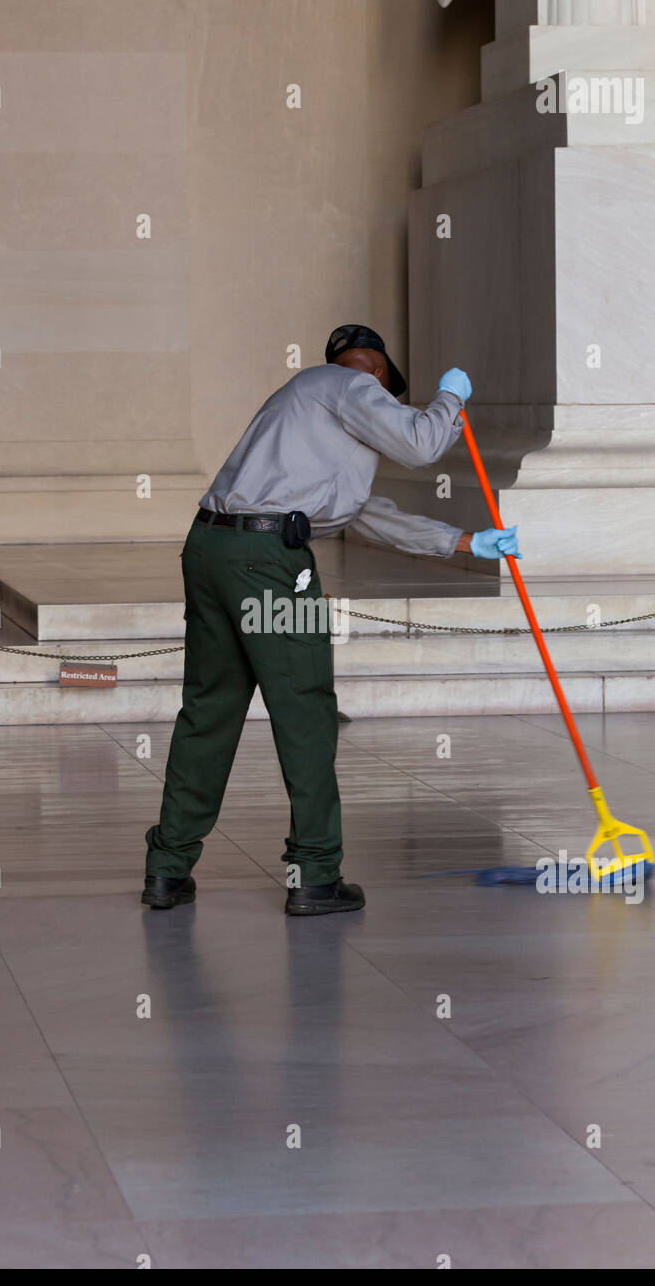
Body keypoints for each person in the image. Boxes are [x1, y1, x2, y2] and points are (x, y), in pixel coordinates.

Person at [143, 324, 520, 917]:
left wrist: (465, 542)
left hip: (210, 550)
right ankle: (314, 875)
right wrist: (451, 402)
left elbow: (364, 514)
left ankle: (167, 869)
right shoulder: (350, 385)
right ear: (374, 375)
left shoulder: (307, 413)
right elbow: (422, 445)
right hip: (266, 564)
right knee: (304, 711)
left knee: (209, 709)